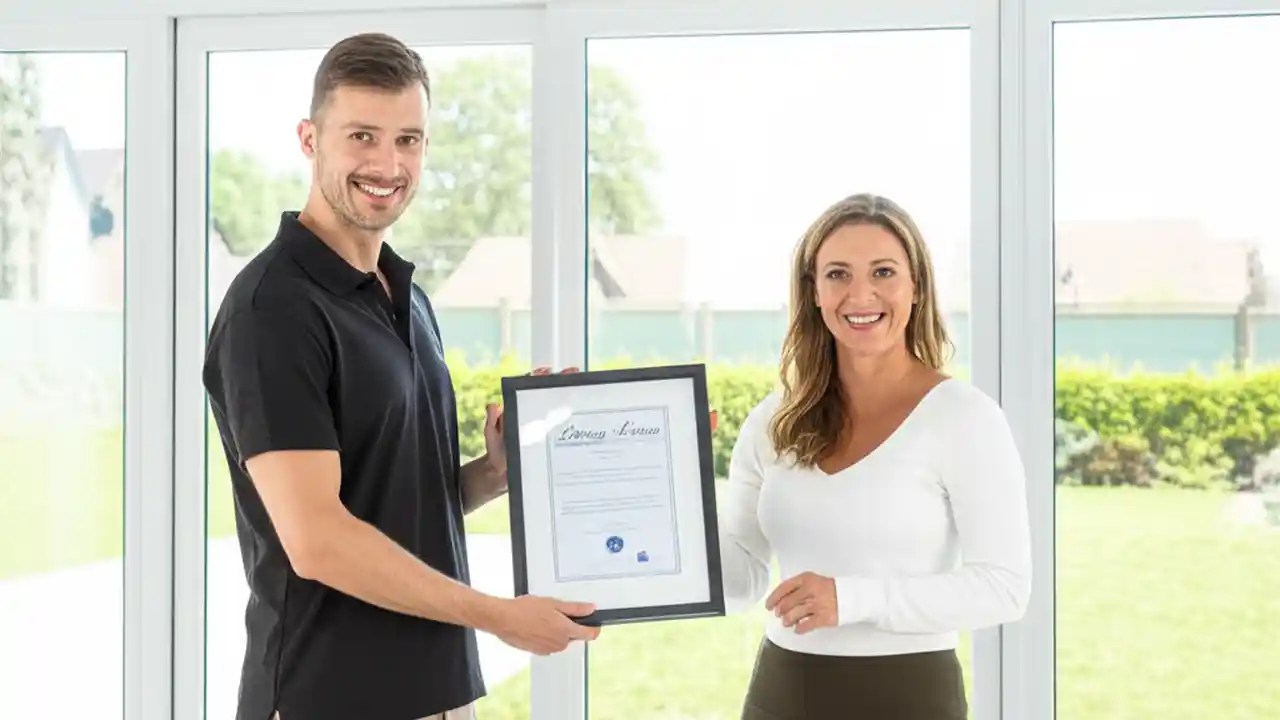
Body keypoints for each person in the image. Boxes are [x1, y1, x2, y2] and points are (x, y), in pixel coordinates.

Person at [202, 32, 599, 720]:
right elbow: (318, 540)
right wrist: (498, 616)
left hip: (437, 694)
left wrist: (494, 472)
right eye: (363, 136)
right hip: (326, 696)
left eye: (409, 140)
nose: (388, 164)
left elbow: (396, 499)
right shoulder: (274, 308)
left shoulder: (404, 295)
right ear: (309, 138)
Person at [719, 193, 1032, 719]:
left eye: (883, 271)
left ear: (917, 287)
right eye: (837, 274)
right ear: (813, 293)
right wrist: (672, 494)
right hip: (782, 692)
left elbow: (1004, 589)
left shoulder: (963, 417)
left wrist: (852, 599)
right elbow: (739, 583)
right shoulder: (773, 421)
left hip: (908, 696)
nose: (860, 294)